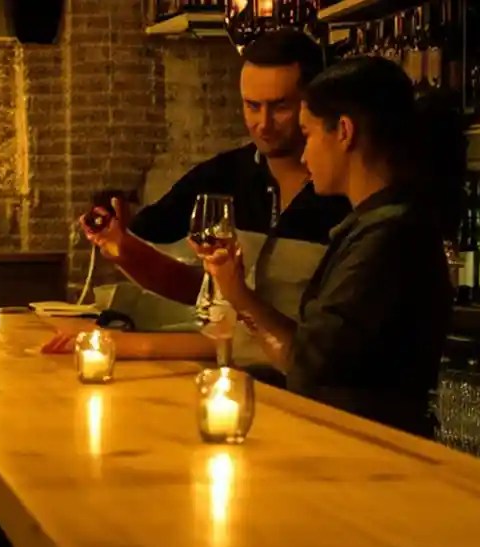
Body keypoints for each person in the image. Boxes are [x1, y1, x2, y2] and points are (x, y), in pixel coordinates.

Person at [49, 29, 352, 380]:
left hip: (308, 389)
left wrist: (132, 344)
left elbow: (324, 353)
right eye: (252, 106)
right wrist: (124, 247)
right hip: (230, 376)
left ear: (312, 105)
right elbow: (203, 294)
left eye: (280, 106)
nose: (263, 123)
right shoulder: (224, 176)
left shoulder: (345, 194)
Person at [196, 56, 462, 437]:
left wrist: (240, 297)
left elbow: (308, 362)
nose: (303, 156)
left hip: (373, 454)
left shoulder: (388, 236)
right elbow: (310, 355)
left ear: (344, 131)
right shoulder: (377, 225)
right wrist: (236, 290)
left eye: (307, 134)